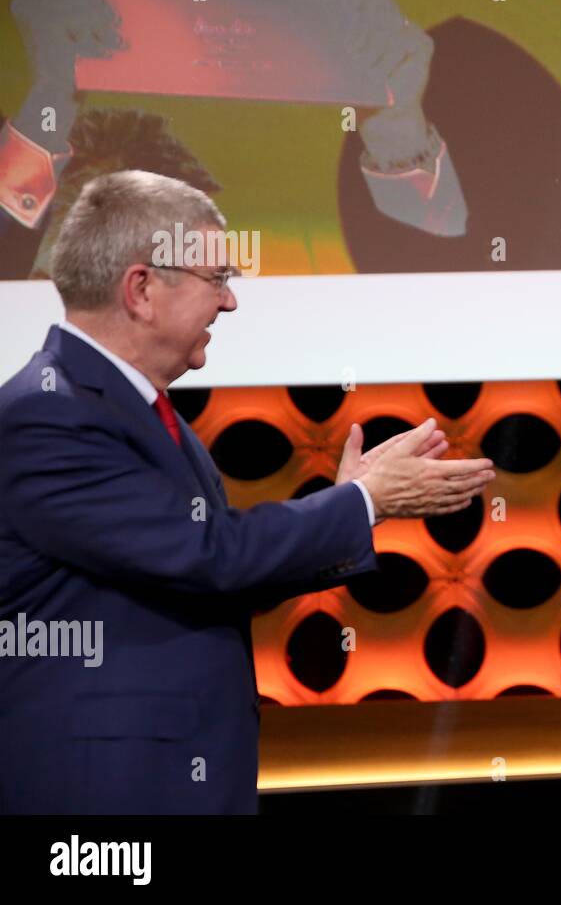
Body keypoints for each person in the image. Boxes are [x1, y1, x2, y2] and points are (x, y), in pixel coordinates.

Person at [0, 170, 496, 814]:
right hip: (107, 795)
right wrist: (365, 500)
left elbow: (211, 576)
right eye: (217, 280)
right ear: (142, 290)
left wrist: (352, 501)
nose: (230, 303)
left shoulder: (139, 413)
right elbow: (208, 555)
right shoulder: (47, 416)